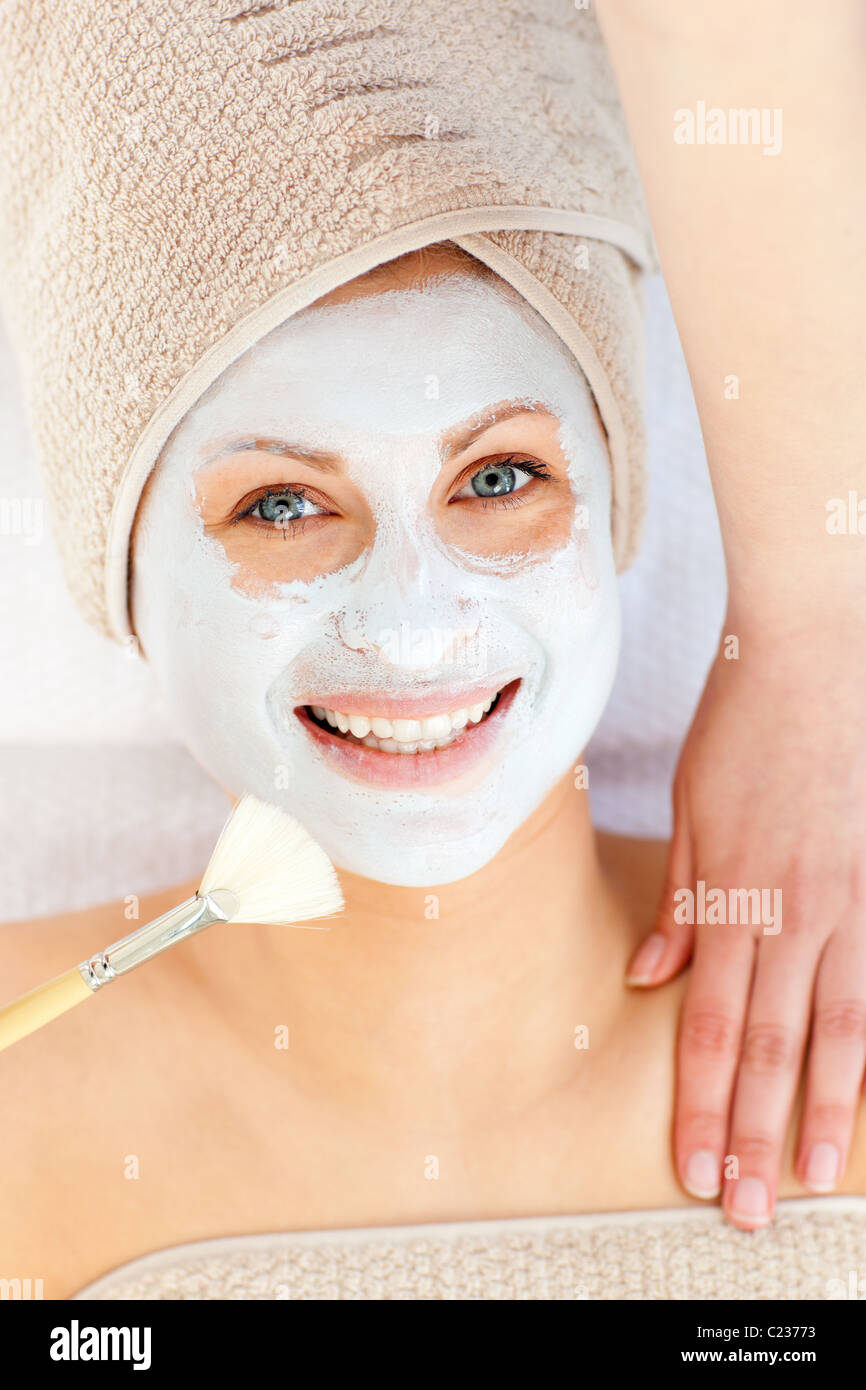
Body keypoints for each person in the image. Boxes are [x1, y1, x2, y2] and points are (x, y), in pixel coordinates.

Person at [2, 243, 865, 1300]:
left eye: (497, 479)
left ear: (616, 519)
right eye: (280, 504)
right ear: (124, 585)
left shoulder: (843, 996)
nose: (409, 631)